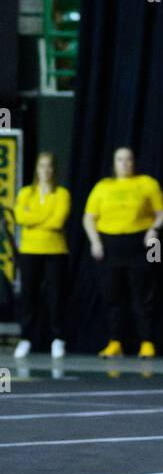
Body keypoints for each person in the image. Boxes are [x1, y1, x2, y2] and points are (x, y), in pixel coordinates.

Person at [83, 147, 163, 358]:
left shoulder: (147, 183)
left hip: (141, 244)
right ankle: (115, 342)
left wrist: (154, 229)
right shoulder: (103, 186)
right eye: (120, 160)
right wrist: (95, 242)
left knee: (143, 294)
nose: (125, 163)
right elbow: (88, 217)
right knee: (112, 295)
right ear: (114, 163)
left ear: (134, 162)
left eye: (128, 159)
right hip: (110, 244)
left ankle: (147, 342)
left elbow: (162, 212)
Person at [13, 152, 71, 359]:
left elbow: (57, 221)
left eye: (49, 166)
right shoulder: (25, 193)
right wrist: (44, 216)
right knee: (28, 296)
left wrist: (34, 218)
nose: (45, 170)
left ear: (54, 169)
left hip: (55, 251)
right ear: (36, 169)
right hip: (29, 250)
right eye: (42, 166)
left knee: (56, 296)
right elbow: (20, 216)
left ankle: (58, 339)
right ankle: (26, 338)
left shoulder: (62, 193)